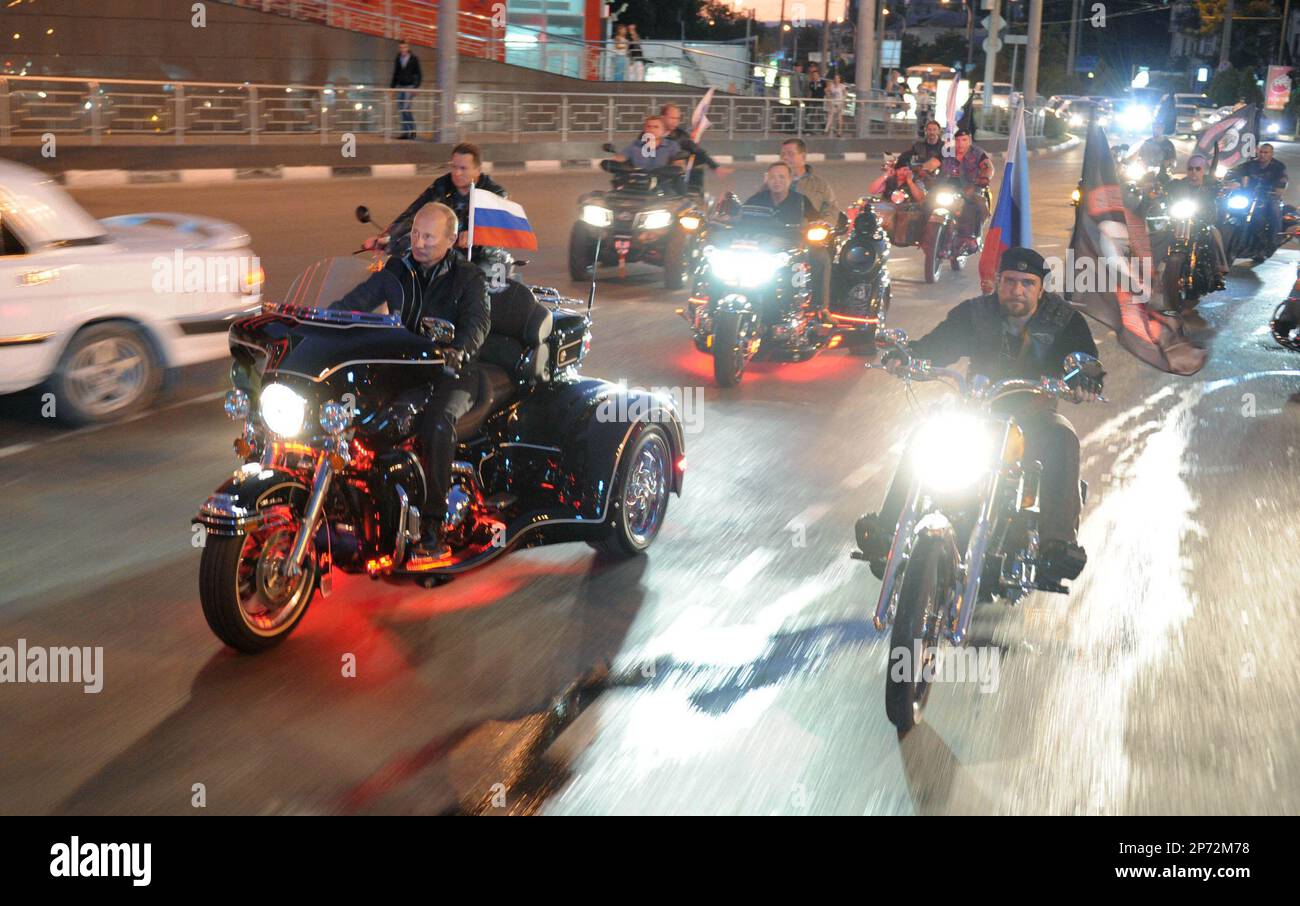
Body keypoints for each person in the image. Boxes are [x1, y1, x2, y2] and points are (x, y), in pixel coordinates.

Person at [855, 247, 1102, 584]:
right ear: (997, 282)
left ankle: (1056, 545)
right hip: (977, 410)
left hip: (1033, 413)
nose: (1017, 290)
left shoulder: (1064, 320)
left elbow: (1085, 358)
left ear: (1041, 288)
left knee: (1063, 438)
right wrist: (908, 355)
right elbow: (938, 344)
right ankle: (889, 528)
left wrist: (1085, 377)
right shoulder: (976, 314)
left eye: (1027, 283)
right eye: (1010, 281)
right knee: (928, 432)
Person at [332, 203, 491, 561]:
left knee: (435, 423)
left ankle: (435, 527)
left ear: (451, 239)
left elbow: (477, 325)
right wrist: (323, 320)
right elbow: (357, 300)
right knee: (355, 408)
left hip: (453, 371)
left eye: (429, 236)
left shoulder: (468, 277)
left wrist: (458, 350)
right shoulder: (398, 269)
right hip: (405, 365)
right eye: (416, 234)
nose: (419, 242)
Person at [371, 142, 508, 257]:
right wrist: (388, 235)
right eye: (454, 166)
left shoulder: (494, 194)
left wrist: (475, 234)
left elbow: (497, 227)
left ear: (477, 170)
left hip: (482, 255)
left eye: (463, 168)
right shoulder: (442, 186)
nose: (457, 173)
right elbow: (415, 212)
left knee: (477, 282)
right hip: (444, 251)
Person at [744, 162, 830, 321]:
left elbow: (817, 221)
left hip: (792, 249)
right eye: (772, 177)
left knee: (820, 257)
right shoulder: (755, 200)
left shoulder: (801, 201)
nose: (777, 181)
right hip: (761, 250)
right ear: (767, 180)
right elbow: (741, 221)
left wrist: (818, 229)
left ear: (790, 180)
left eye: (782, 177)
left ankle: (821, 308)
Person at [1166, 153, 1229, 284]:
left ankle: (1219, 267)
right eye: (1190, 168)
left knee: (1214, 232)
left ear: (1203, 170)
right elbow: (1165, 189)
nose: (1193, 172)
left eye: (1197, 169)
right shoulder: (1179, 184)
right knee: (1161, 233)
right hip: (1182, 219)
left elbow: (1222, 190)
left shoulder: (1211, 184)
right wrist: (1156, 189)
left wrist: (1224, 190)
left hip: (1204, 219)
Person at [1227, 142, 1289, 260]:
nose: (1263, 155)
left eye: (1266, 152)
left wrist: (1278, 189)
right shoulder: (1251, 165)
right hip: (1250, 196)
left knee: (1275, 212)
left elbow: (1283, 180)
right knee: (1229, 206)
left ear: (1271, 154)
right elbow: (1234, 171)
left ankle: (1271, 243)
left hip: (1269, 197)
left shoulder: (1278, 167)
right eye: (1261, 152)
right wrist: (1232, 180)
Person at [940, 128, 993, 255]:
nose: (960, 143)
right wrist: (923, 170)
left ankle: (977, 234)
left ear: (969, 140)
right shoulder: (948, 153)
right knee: (927, 201)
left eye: (963, 140)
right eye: (957, 140)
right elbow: (934, 162)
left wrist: (985, 177)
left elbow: (988, 167)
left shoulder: (978, 153)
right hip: (949, 189)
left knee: (981, 204)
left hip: (971, 188)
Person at [660, 103, 734, 192]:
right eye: (672, 118)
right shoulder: (650, 133)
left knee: (696, 168)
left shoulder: (681, 135)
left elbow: (698, 151)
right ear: (662, 117)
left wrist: (716, 167)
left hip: (673, 176)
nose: (675, 121)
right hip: (654, 175)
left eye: (677, 119)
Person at [780, 137, 839, 220]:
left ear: (803, 156)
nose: (785, 158)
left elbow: (831, 211)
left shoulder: (820, 185)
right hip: (777, 230)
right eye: (782, 154)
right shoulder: (773, 182)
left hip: (808, 231)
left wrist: (822, 227)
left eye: (790, 154)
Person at [612, 115, 682, 171]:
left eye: (656, 127)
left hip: (662, 183)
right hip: (638, 182)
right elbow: (621, 158)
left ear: (663, 131)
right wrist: (613, 162)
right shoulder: (635, 145)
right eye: (648, 126)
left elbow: (679, 165)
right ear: (644, 129)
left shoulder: (671, 145)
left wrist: (677, 167)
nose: (651, 130)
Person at [391, 41, 422, 140]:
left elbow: (419, 74)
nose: (402, 49)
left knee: (405, 108)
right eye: (401, 47)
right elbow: (395, 74)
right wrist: (392, 88)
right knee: (402, 109)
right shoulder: (398, 58)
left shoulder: (414, 59)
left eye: (404, 47)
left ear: (408, 48)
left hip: (409, 87)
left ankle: (412, 131)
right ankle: (405, 132)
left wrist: (416, 87)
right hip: (400, 86)